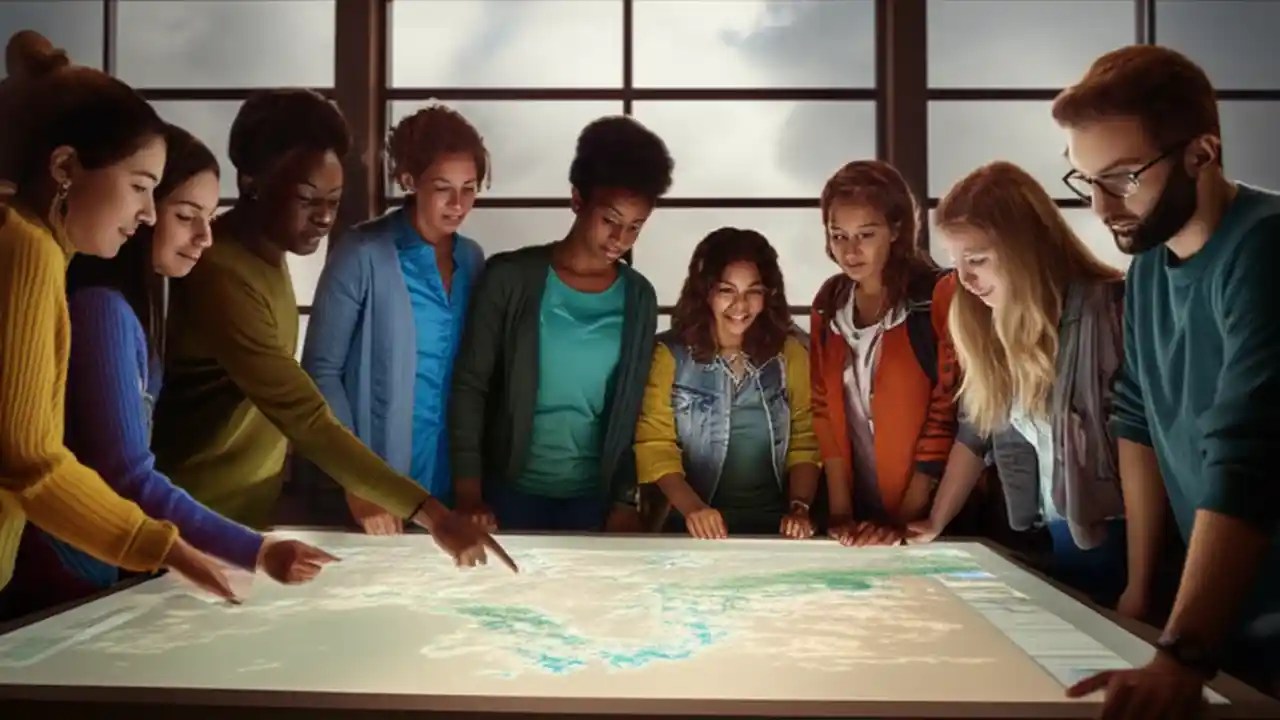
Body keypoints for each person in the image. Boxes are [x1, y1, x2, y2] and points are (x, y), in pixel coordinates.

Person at [151, 89, 513, 571]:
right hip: (185, 512)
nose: (324, 217)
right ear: (251, 181)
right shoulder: (223, 271)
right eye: (307, 199)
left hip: (241, 515)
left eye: (333, 200)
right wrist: (428, 513)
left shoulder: (267, 256)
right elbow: (305, 408)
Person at [6, 124, 338, 617]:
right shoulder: (99, 308)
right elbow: (127, 476)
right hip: (55, 566)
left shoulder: (138, 308)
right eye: (185, 216)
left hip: (91, 563)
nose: (205, 237)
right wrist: (254, 549)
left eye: (209, 217)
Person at [1052, 45, 1280, 714]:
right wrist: (1142, 590)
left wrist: (1182, 652)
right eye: (1085, 181)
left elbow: (1251, 452)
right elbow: (1137, 415)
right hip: (1220, 614)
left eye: (1122, 178)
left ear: (1201, 153)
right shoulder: (1149, 266)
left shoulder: (1265, 248)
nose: (1101, 208)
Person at [0, 31, 234, 613]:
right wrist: (166, 547)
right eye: (140, 187)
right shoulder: (28, 249)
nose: (148, 214)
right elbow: (32, 464)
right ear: (65, 166)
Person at [907, 161, 1137, 610]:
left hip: (1124, 536)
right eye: (956, 263)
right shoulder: (994, 326)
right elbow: (976, 432)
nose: (965, 280)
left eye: (977, 260)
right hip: (1055, 534)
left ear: (1025, 248)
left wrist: (1142, 585)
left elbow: (1144, 443)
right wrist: (935, 521)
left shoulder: (1111, 309)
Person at [450, 115, 673, 532]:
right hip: (506, 493)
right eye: (610, 220)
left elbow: (635, 406)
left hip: (593, 500)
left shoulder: (639, 297)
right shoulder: (510, 278)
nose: (621, 239)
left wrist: (625, 499)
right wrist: (468, 494)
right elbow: (470, 386)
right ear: (577, 200)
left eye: (635, 227)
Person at [301, 104, 488, 534]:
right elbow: (321, 370)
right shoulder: (362, 253)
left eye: (469, 188)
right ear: (408, 180)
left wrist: (471, 488)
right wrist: (359, 483)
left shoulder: (472, 260)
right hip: (376, 487)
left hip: (450, 484)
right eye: (443, 188)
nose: (458, 204)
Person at [809, 160, 959, 546]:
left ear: (895, 229)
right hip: (859, 517)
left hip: (933, 520)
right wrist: (841, 515)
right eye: (838, 235)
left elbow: (946, 415)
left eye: (866, 234)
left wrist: (904, 521)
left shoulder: (936, 297)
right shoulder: (829, 302)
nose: (850, 251)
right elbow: (824, 410)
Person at [634, 227, 821, 538]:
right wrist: (694, 510)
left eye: (753, 291)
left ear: (769, 294)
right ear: (704, 292)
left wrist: (800, 508)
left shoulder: (789, 353)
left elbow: (806, 439)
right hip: (689, 529)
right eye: (727, 290)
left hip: (775, 529)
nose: (740, 305)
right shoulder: (669, 355)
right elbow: (654, 444)